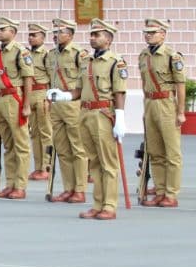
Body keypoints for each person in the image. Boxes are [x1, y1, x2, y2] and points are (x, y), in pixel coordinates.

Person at [77, 19, 128, 220]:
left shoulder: (116, 62)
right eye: (91, 34)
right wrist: (62, 95)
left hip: (103, 113)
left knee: (108, 163)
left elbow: (119, 92)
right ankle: (97, 203)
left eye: (96, 35)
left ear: (107, 39)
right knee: (94, 162)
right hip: (86, 113)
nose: (92, 38)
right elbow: (79, 90)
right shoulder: (87, 61)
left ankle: (109, 205)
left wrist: (121, 117)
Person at [137, 18, 186, 208]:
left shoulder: (172, 56)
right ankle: (159, 191)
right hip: (150, 103)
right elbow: (143, 82)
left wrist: (181, 112)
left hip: (166, 103)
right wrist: (145, 106)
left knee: (171, 152)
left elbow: (180, 85)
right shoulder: (143, 55)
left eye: (153, 32)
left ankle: (171, 194)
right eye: (146, 32)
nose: (148, 35)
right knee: (155, 151)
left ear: (163, 34)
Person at [0, 17, 34, 200]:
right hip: (1, 98)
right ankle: (10, 183)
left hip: (15, 98)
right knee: (7, 144)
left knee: (21, 144)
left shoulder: (20, 52)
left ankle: (20, 185)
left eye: (3, 29)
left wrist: (26, 105)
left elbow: (28, 78)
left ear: (13, 32)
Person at [46, 18, 89, 203]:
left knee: (77, 148)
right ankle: (68, 187)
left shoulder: (80, 54)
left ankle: (79, 189)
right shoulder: (51, 55)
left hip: (72, 103)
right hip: (56, 104)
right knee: (62, 148)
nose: (55, 36)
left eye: (59, 32)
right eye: (54, 32)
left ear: (70, 34)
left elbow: (86, 81)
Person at [26, 23, 52, 181]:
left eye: (34, 35)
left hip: (42, 93)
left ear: (42, 37)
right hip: (30, 93)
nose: (30, 38)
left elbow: (52, 76)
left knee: (45, 132)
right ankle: (37, 167)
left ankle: (46, 167)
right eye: (29, 34)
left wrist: (50, 98)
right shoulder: (26, 54)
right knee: (34, 133)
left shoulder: (46, 55)